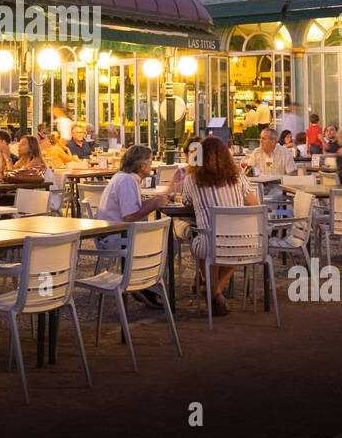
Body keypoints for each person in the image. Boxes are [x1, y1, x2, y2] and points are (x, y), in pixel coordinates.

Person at [183, 135, 260, 317]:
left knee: (205, 242)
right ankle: (214, 292)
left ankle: (211, 290)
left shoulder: (192, 179)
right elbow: (254, 205)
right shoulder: (238, 177)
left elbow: (186, 203)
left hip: (209, 245)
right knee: (227, 247)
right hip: (242, 245)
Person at [95, 144, 170, 308]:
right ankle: (141, 284)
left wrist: (153, 202)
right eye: (150, 162)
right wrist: (155, 203)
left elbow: (130, 211)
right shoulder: (127, 180)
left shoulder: (124, 177)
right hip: (116, 236)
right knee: (168, 242)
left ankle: (143, 283)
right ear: (142, 165)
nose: (152, 165)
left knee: (163, 240)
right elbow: (129, 217)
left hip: (113, 233)